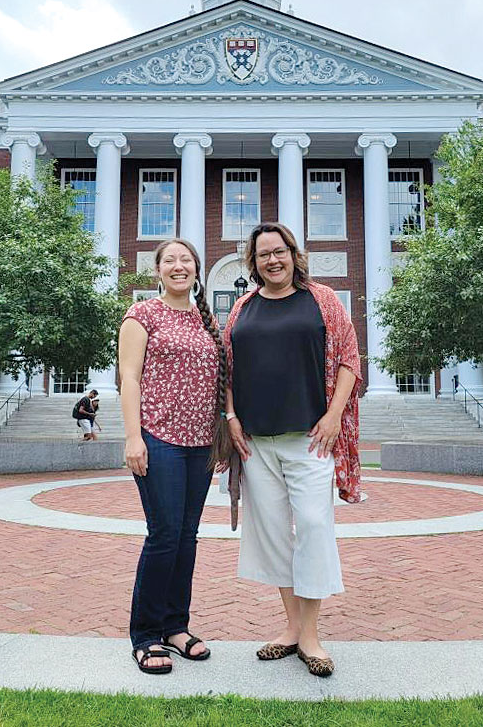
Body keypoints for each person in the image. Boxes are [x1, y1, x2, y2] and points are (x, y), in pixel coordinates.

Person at [223, 222, 362, 678]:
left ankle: (312, 635)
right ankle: (290, 628)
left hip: (311, 437)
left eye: (279, 251)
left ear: (293, 253)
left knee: (316, 526)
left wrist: (333, 416)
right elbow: (227, 367)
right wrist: (231, 417)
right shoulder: (243, 307)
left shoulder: (321, 300)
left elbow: (347, 360)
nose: (272, 260)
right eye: (263, 255)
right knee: (273, 535)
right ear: (254, 262)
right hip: (257, 442)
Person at [119, 238, 225, 675]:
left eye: (186, 260)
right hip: (157, 437)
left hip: (200, 442)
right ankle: (145, 635)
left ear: (196, 269)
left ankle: (175, 627)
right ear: (158, 269)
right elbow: (129, 377)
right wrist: (133, 438)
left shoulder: (207, 320)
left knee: (187, 536)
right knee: (163, 535)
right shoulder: (141, 315)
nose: (178, 267)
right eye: (170, 261)